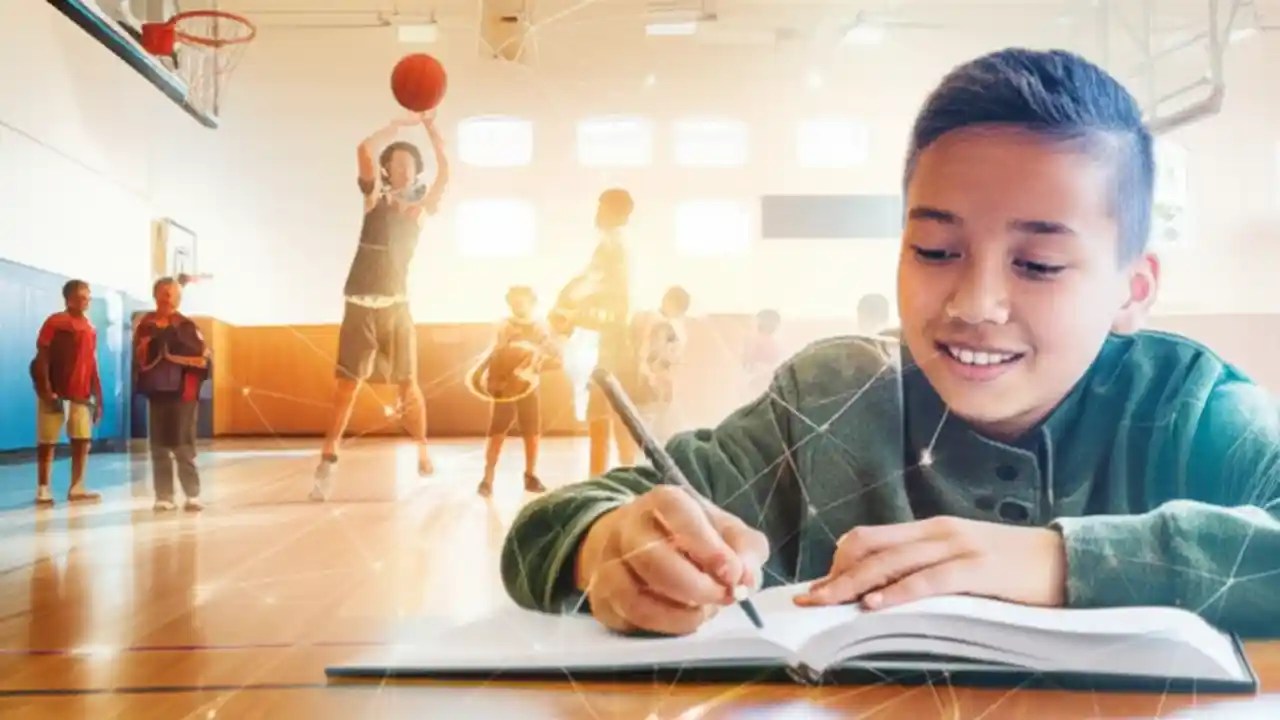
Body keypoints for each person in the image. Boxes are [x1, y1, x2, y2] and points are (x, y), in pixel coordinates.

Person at [498, 48, 1280, 639]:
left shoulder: (1192, 411)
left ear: (1133, 289)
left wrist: (1055, 560)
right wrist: (605, 546)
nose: (974, 304)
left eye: (1039, 264)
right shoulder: (829, 405)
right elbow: (547, 529)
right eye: (935, 251)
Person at [312, 111, 450, 501]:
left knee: (408, 385)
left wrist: (431, 130)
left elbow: (445, 173)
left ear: (415, 172)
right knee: (347, 386)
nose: (402, 168)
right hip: (360, 303)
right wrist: (396, 127)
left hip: (397, 306)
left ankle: (423, 452)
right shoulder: (374, 199)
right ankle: (327, 460)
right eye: (396, 163)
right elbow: (363, 150)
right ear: (388, 170)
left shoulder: (419, 210)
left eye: (409, 164)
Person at [548, 188, 640, 477]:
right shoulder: (616, 245)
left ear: (615, 211)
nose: (597, 213)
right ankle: (620, 475)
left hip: (615, 341)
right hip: (613, 340)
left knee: (605, 411)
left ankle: (601, 477)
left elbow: (595, 286)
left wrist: (568, 310)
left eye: (601, 207)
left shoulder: (612, 246)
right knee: (613, 411)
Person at [133, 277, 210, 512]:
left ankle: (192, 494)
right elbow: (139, 359)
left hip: (183, 394)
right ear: (155, 295)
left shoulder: (187, 326)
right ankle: (164, 495)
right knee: (159, 447)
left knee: (183, 445)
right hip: (157, 393)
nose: (167, 298)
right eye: (163, 293)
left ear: (178, 298)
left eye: (171, 294)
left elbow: (202, 360)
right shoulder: (145, 325)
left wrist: (174, 358)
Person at [477, 286, 560, 497]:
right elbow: (496, 352)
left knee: (532, 432)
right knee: (497, 431)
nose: (518, 305)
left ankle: (530, 476)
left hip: (529, 385)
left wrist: (543, 354)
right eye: (514, 301)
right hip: (505, 387)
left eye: (522, 301)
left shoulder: (540, 326)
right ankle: (487, 478)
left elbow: (552, 354)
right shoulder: (503, 325)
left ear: (531, 302)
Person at [31, 279, 103, 506]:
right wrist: (45, 389)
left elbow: (91, 363)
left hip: (81, 396)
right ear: (69, 299)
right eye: (81, 297)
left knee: (82, 440)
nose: (85, 301)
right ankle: (43, 488)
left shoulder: (90, 328)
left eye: (87, 297)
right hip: (55, 393)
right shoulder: (55, 322)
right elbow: (42, 356)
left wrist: (98, 397)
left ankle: (77, 487)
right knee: (47, 441)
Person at [633, 286, 692, 444]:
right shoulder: (660, 324)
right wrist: (656, 372)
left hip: (659, 373)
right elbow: (656, 352)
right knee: (652, 415)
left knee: (659, 415)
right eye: (679, 308)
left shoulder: (665, 323)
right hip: (656, 373)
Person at [741, 309, 782, 398]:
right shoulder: (755, 339)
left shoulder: (771, 341)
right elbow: (746, 361)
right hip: (757, 378)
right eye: (773, 323)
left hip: (767, 378)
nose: (775, 326)